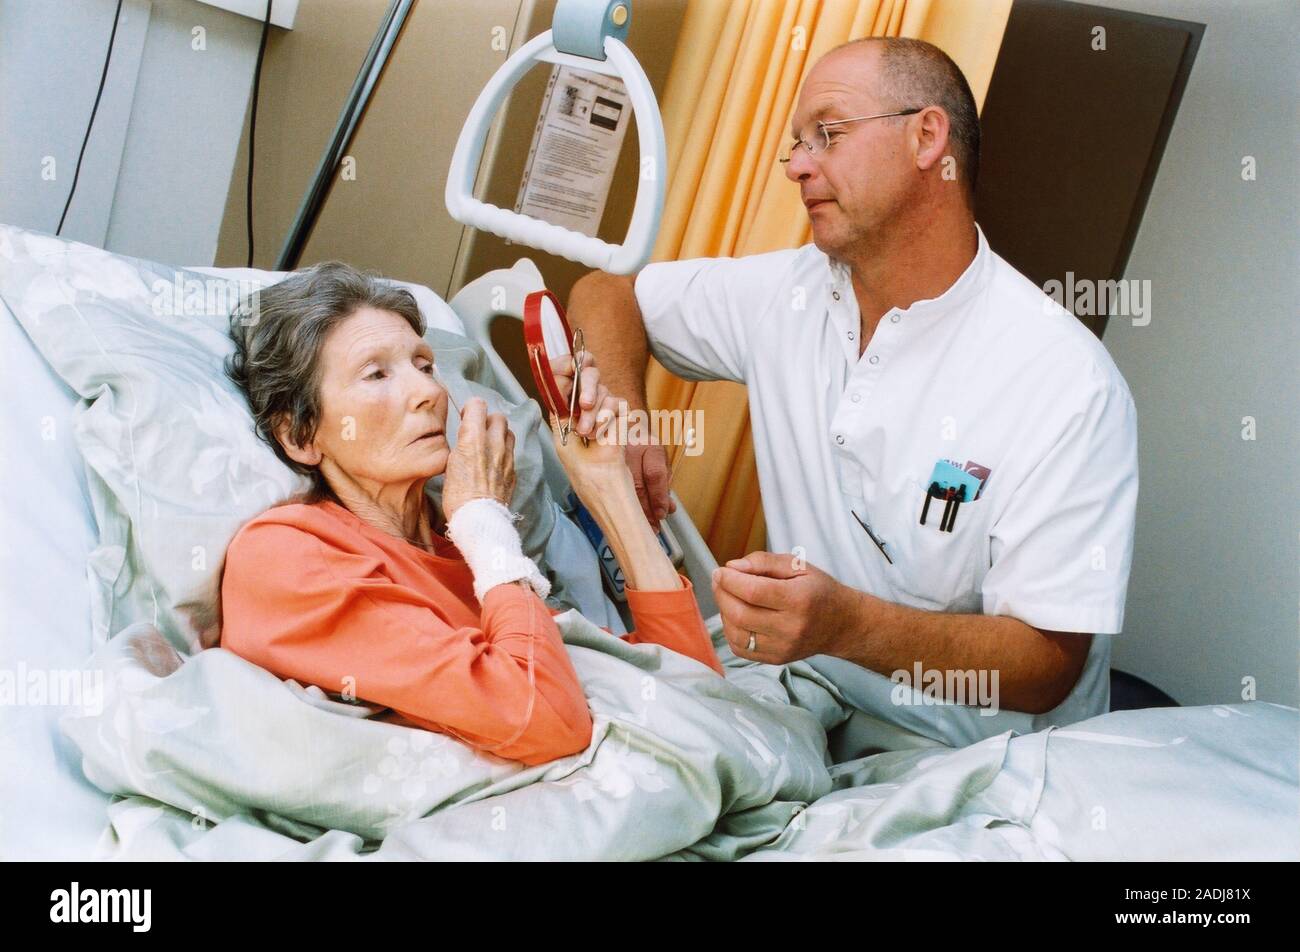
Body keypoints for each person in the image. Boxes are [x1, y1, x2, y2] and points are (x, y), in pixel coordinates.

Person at [568, 37, 1138, 751]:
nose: (799, 165)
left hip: (975, 755)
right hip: (809, 703)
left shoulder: (1063, 383)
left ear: (927, 137)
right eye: (796, 145)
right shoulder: (792, 294)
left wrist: (848, 626)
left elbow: (1046, 668)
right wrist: (626, 418)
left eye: (827, 135)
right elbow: (604, 294)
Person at [218, 262, 724, 768]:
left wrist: (609, 488)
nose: (431, 392)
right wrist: (486, 522)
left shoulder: (459, 550)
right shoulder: (289, 556)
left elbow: (694, 697)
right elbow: (544, 722)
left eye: (423, 364)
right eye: (376, 373)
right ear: (299, 435)